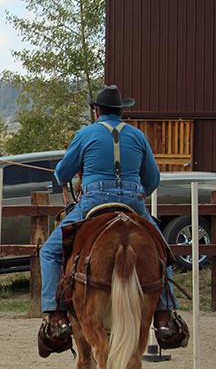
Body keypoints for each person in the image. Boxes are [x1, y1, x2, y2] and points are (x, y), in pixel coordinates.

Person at [39, 84, 186, 348]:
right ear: (121, 111)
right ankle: (164, 315)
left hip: (94, 199)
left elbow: (62, 174)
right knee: (163, 250)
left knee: (49, 252)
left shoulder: (85, 135)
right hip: (132, 200)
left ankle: (56, 314)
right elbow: (152, 180)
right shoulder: (138, 136)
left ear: (97, 111)